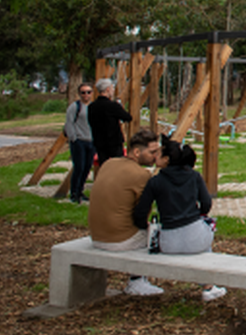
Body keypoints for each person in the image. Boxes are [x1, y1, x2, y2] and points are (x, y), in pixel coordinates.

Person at [133, 138, 226, 301]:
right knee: (206, 234)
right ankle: (208, 287)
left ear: (166, 160)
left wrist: (145, 226)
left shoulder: (156, 182)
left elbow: (140, 213)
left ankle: (138, 280)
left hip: (168, 242)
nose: (155, 157)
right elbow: (206, 203)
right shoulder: (194, 176)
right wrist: (200, 215)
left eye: (158, 153)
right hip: (196, 238)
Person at [87, 128, 164, 296]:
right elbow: (141, 215)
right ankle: (137, 281)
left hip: (97, 235)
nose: (156, 156)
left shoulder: (109, 163)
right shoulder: (141, 175)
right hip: (118, 240)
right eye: (152, 152)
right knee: (160, 236)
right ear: (136, 152)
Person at [88, 77, 132, 170]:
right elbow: (128, 117)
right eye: (112, 88)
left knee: (103, 167)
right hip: (114, 142)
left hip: (99, 141)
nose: (112, 91)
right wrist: (119, 107)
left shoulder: (92, 106)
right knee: (117, 167)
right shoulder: (112, 106)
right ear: (108, 89)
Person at [63, 82, 96, 203]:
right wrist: (74, 139)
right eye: (83, 92)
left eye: (88, 92)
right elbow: (69, 123)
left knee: (87, 167)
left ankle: (80, 191)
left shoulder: (93, 106)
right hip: (79, 141)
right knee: (79, 167)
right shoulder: (75, 107)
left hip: (91, 141)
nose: (86, 94)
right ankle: (74, 193)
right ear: (79, 94)